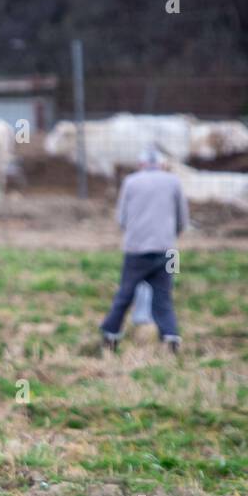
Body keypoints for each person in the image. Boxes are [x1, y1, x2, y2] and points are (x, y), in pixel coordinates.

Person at [100, 146, 188, 354]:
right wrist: (169, 235)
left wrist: (134, 233)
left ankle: (110, 335)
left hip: (136, 250)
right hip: (167, 250)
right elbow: (182, 218)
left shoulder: (130, 182)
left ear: (140, 165)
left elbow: (121, 218)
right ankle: (170, 336)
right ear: (162, 164)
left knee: (125, 295)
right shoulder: (173, 182)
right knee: (163, 297)